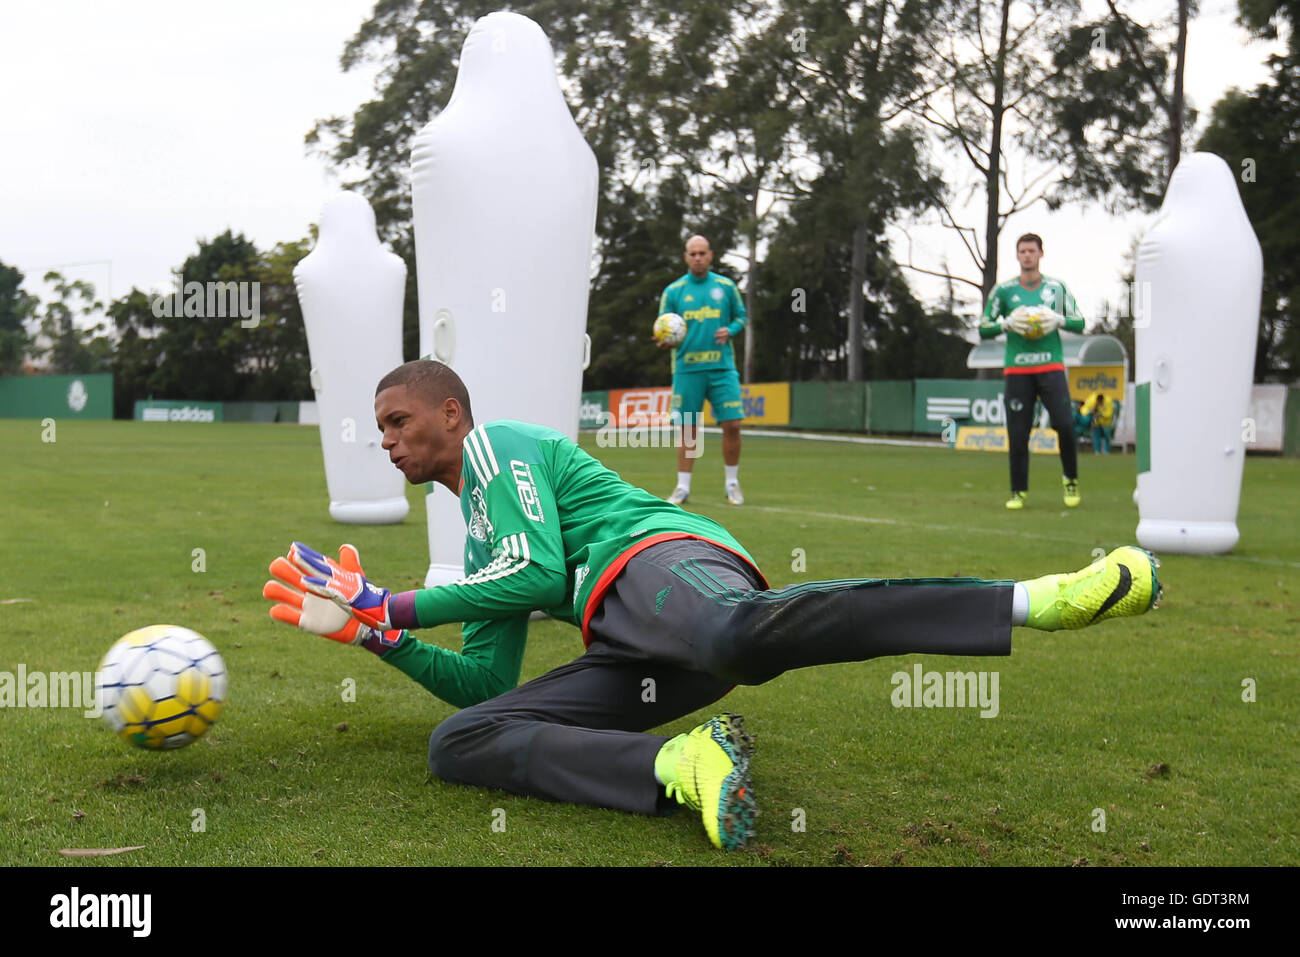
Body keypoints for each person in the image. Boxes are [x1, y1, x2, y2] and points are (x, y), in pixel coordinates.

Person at [263, 359, 1163, 851]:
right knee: (459, 741)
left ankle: (1038, 598)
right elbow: (484, 682)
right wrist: (375, 634)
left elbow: (541, 577)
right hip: (631, 639)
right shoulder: (478, 531)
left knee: (738, 635)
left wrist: (394, 599)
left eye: (397, 420)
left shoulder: (499, 447)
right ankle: (682, 766)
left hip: (663, 561)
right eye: (378, 427)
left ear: (453, 415)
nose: (386, 440)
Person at [980, 233, 1087, 510]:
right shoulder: (1003, 291)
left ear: (1041, 254)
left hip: (1050, 366)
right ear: (1017, 256)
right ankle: (1018, 491)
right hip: (1018, 370)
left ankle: (1070, 480)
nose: (1027, 255)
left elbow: (1080, 323)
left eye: (1031, 251)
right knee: (1018, 433)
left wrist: (1058, 319)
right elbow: (984, 327)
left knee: (1064, 424)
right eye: (1022, 251)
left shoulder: (1056, 288)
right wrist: (1005, 324)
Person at [657, 235, 747, 506]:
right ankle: (682, 487)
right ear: (686, 257)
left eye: (702, 253)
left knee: (732, 424)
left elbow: (741, 317)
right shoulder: (673, 292)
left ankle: (732, 483)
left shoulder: (726, 286)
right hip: (687, 369)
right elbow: (662, 326)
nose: (698, 257)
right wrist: (664, 340)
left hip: (721, 367)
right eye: (693, 253)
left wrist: (730, 330)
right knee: (687, 430)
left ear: (711, 255)